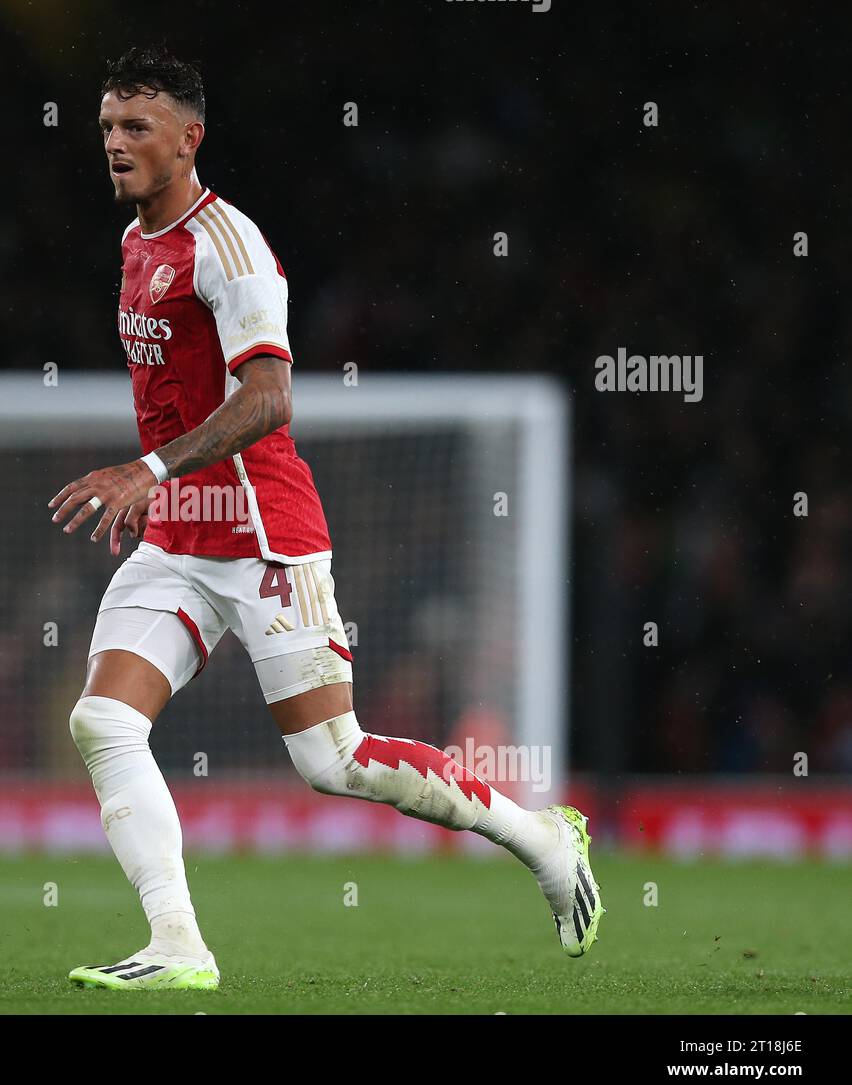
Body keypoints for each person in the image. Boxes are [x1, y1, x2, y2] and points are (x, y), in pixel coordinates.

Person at [48, 44, 603, 990]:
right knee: (103, 721)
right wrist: (160, 488)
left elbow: (268, 399)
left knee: (334, 761)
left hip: (266, 537)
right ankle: (178, 946)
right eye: (105, 126)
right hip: (180, 535)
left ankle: (540, 836)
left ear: (190, 139)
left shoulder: (234, 249)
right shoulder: (140, 241)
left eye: (135, 127)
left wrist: (146, 468)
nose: (114, 142)